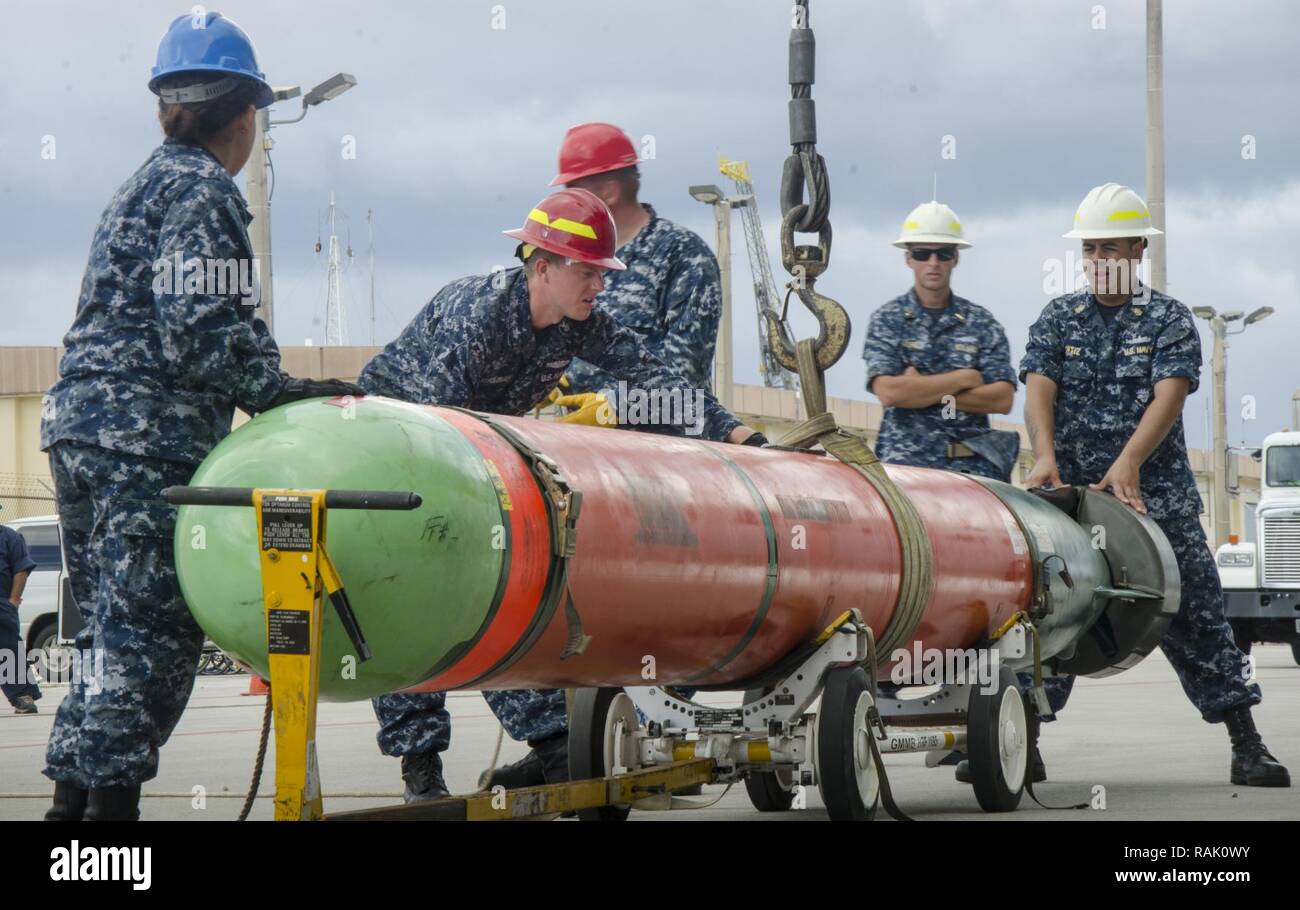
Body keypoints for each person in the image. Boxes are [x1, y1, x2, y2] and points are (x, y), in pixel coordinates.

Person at [38, 11, 361, 821]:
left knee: (107, 639)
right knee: (147, 641)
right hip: (143, 443)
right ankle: (109, 836)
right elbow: (200, 337)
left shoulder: (140, 184)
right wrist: (293, 395)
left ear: (167, 107)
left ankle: (68, 820)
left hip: (84, 430)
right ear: (245, 115)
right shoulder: (201, 191)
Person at [360, 187, 764, 798]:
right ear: (542, 268)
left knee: (503, 600)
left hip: (469, 457)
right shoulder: (482, 315)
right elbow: (429, 424)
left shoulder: (576, 324)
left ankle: (553, 746)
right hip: (394, 453)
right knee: (414, 603)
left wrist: (739, 434)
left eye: (603, 272)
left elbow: (658, 377)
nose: (598, 285)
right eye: (586, 271)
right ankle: (422, 769)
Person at [1018, 182, 1288, 787]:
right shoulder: (1058, 317)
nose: (1098, 260)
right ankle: (1022, 740)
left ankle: (1247, 744)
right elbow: (1038, 386)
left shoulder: (1168, 319)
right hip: (1072, 504)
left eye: (1110, 247)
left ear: (1138, 250)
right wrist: (1043, 457)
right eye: (1089, 249)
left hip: (1153, 502)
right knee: (1046, 615)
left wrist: (1130, 462)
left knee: (1198, 616)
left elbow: (1169, 395)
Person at [862, 200, 1035, 778]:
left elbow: (1004, 399)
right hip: (906, 482)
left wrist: (929, 387)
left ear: (955, 258)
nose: (932, 262)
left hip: (971, 483)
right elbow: (887, 392)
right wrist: (964, 381)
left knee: (991, 600)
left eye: (942, 252)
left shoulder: (982, 323)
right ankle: (883, 705)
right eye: (921, 252)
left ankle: (1011, 731)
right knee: (905, 589)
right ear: (907, 260)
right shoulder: (888, 320)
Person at [0, 509, 40, 714]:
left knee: (7, 649)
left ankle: (22, 695)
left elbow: (21, 569)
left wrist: (13, 600)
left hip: (2, 606)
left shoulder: (9, 537)